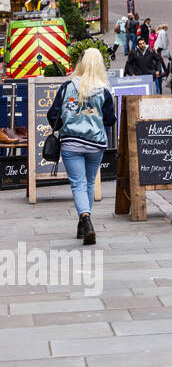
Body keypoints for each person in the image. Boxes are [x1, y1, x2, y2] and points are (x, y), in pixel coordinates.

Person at [47, 47, 116, 246]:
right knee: (89, 182)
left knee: (77, 183)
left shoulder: (68, 87)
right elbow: (110, 119)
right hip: (95, 143)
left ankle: (85, 219)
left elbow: (53, 115)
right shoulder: (103, 90)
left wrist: (67, 123)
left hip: (71, 143)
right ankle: (84, 223)